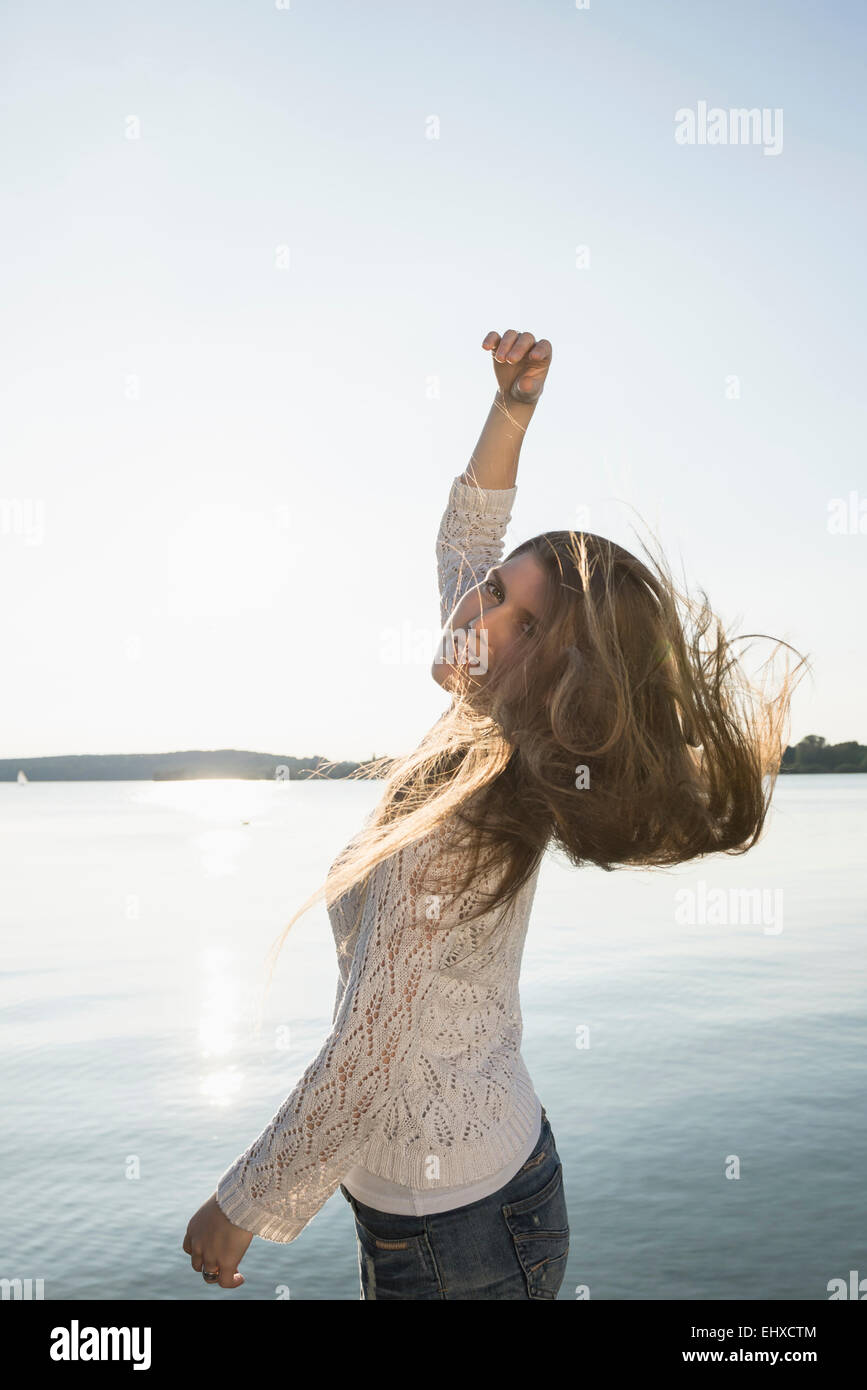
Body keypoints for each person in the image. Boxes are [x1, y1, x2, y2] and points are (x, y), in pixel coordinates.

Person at [183, 328, 805, 1299]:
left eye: (521, 625)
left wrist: (243, 1203)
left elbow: (367, 1052)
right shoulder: (485, 702)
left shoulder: (461, 820)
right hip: (461, 1201)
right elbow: (464, 542)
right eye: (492, 593)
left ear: (557, 675)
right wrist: (512, 408)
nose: (477, 618)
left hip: (461, 1233)